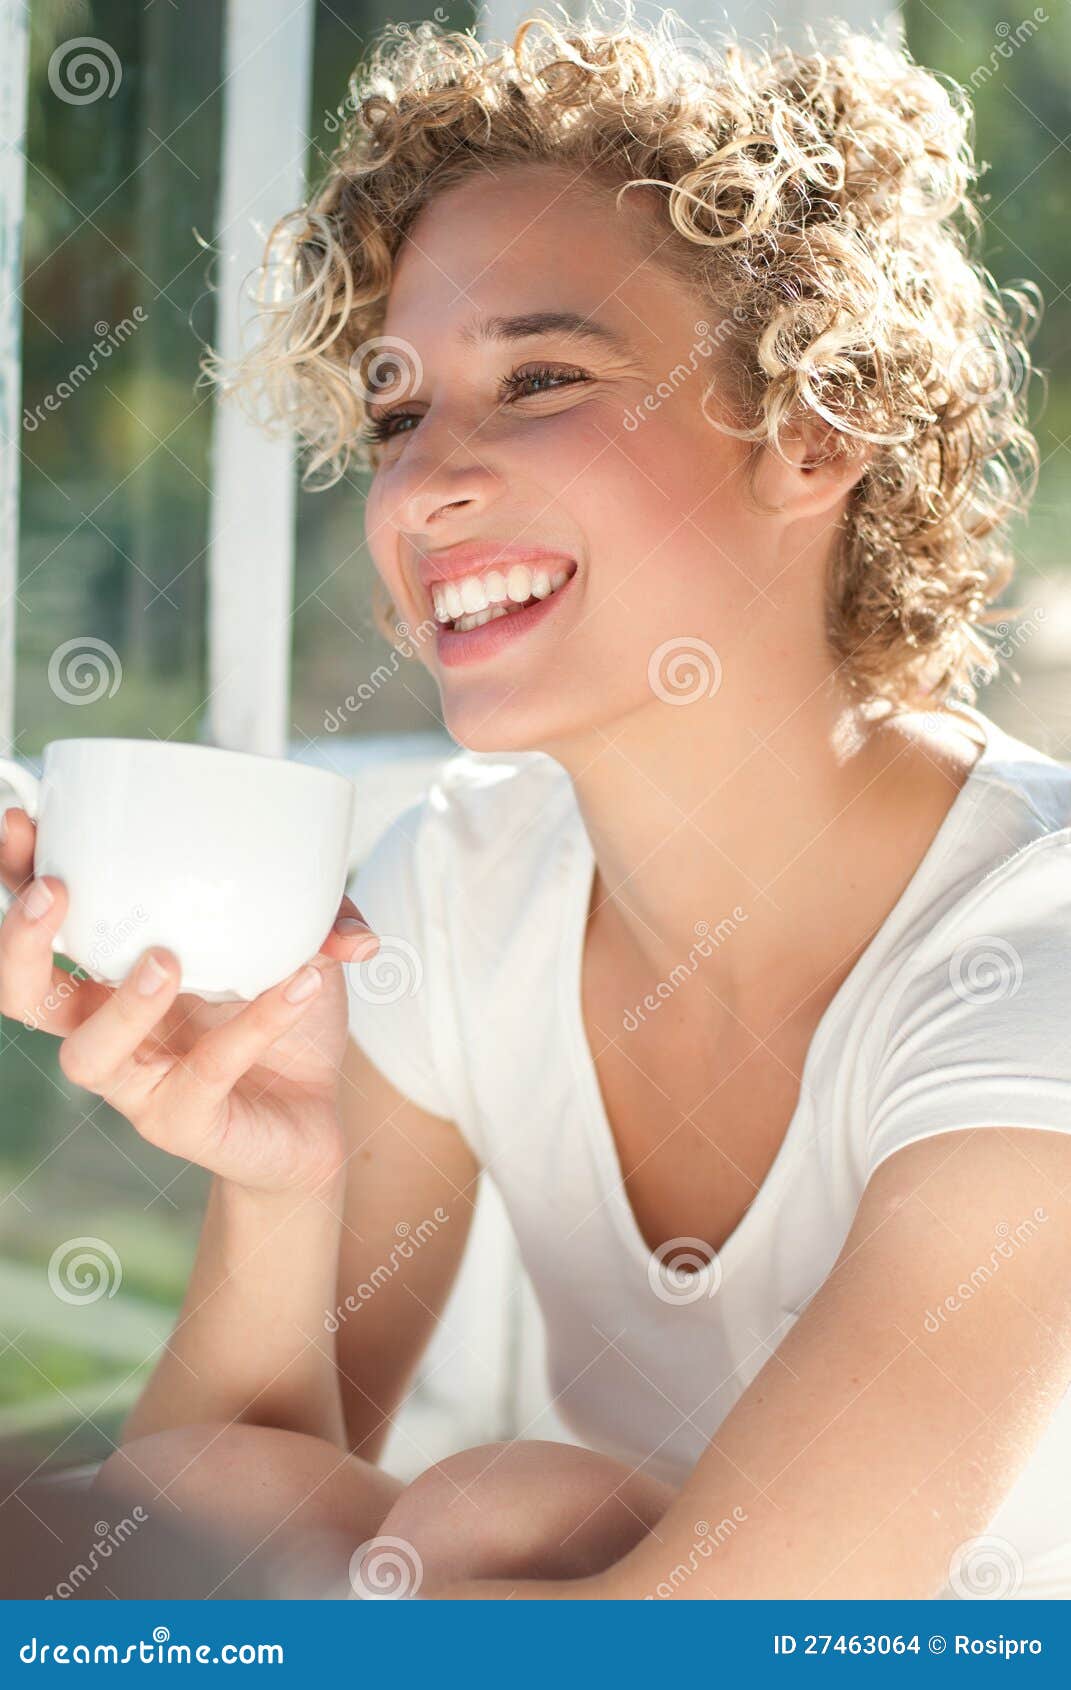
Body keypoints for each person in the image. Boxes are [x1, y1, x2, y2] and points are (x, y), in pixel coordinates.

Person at [2, 1, 1070, 1601]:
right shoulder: (465, 884)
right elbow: (183, 1534)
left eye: (545, 377)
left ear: (815, 427)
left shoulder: (1032, 948)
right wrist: (282, 1181)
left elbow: (707, 1638)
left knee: (485, 1519)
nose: (426, 483)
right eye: (397, 412)